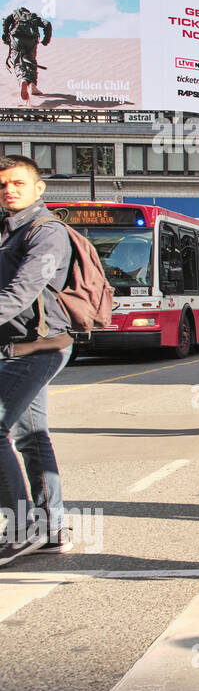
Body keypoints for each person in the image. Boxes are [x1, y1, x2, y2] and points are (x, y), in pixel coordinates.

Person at [0, 155, 75, 566]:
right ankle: (51, 527)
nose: (9, 190)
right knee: (31, 435)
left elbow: (21, 293)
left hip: (38, 348)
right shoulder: (7, 231)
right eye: (2, 185)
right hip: (16, 347)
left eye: (17, 183)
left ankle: (21, 529)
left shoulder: (45, 232)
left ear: (38, 188)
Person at [2, 8, 52, 102]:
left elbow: (6, 22)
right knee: (31, 61)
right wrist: (46, 40)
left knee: (18, 62)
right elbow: (47, 24)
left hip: (17, 39)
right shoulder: (34, 17)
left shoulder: (15, 15)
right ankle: (33, 85)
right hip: (31, 40)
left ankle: (22, 80)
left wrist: (5, 36)